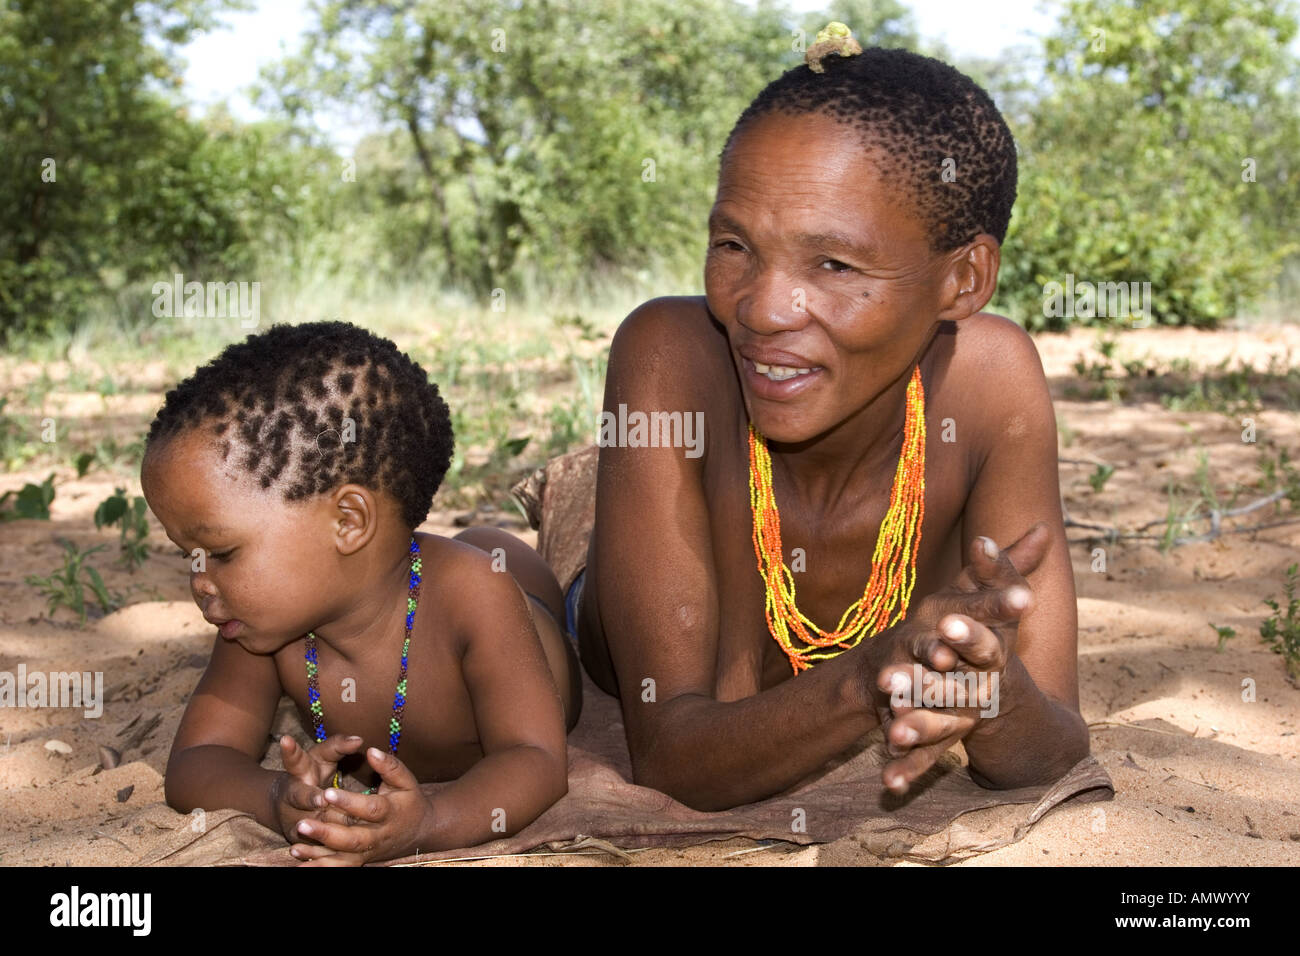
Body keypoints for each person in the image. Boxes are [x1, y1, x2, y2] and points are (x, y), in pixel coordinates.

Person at [569, 29, 1090, 811]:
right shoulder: (672, 358)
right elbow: (674, 758)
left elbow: (1052, 743)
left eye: (835, 265)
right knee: (520, 607)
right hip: (604, 600)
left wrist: (997, 698)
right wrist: (867, 677)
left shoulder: (990, 385)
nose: (763, 307)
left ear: (963, 280)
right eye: (734, 244)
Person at [142, 320, 580, 865]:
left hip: (523, 605)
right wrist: (275, 795)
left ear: (348, 521)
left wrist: (430, 823)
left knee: (513, 568)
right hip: (417, 570)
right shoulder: (257, 629)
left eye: (222, 553)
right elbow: (196, 763)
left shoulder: (477, 600)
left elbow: (535, 759)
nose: (200, 582)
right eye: (190, 557)